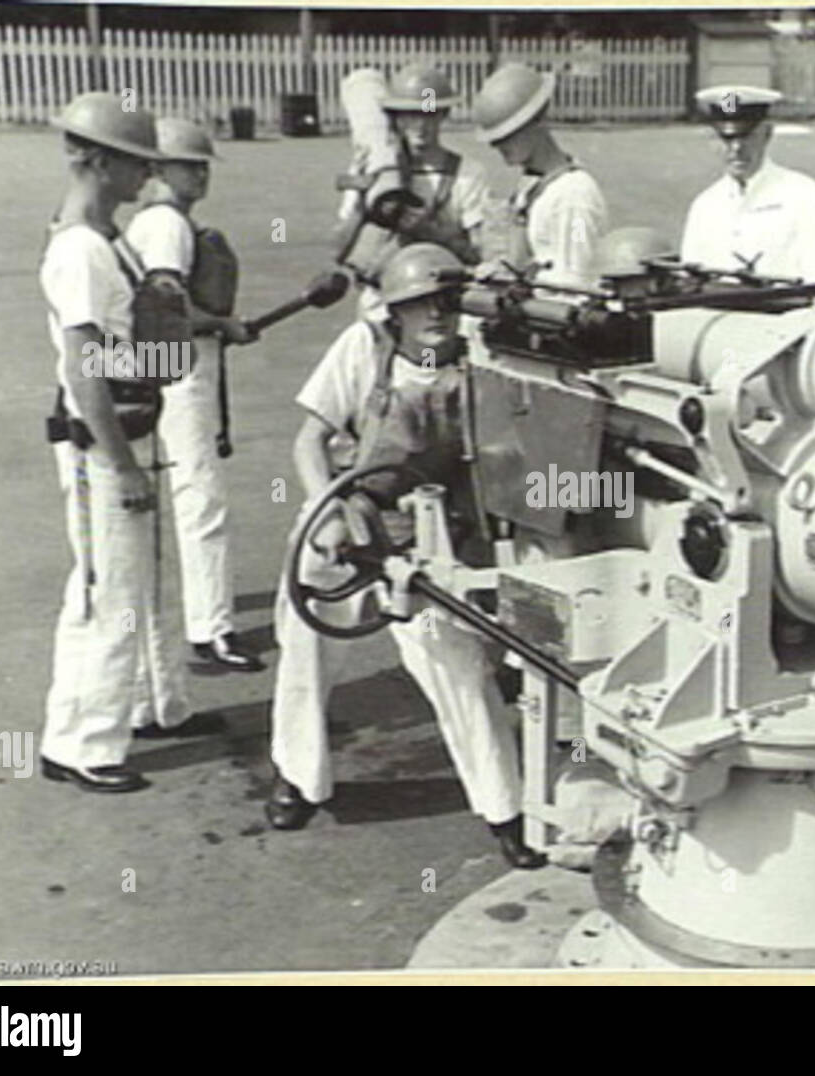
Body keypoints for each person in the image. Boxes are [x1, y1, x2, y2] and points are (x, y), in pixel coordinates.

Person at [265, 243, 546, 870]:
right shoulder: (364, 349)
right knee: (306, 651)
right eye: (420, 305)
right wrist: (329, 514)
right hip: (349, 519)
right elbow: (310, 441)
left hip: (431, 537)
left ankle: (505, 810)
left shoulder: (481, 360)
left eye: (445, 300)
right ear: (395, 312)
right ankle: (298, 776)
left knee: (460, 670)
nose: (435, 314)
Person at [39, 93, 220, 794]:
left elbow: (135, 333)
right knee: (106, 593)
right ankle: (83, 747)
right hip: (102, 444)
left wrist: (206, 331)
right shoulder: (81, 250)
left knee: (136, 587)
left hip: (133, 427)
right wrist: (121, 467)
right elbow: (85, 370)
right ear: (97, 160)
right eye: (137, 162)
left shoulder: (105, 236)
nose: (148, 174)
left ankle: (150, 708)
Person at [125, 118, 263, 672]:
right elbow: (168, 303)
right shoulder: (165, 224)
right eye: (189, 166)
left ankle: (197, 617)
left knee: (185, 493)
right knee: (200, 495)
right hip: (178, 369)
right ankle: (211, 631)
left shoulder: (161, 221)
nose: (201, 175)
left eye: (203, 165)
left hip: (166, 364)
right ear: (158, 168)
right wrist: (224, 324)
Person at [336, 64, 490, 322]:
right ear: (395, 118)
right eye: (409, 116)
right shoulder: (375, 168)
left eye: (429, 114)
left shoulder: (468, 173)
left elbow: (480, 258)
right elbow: (338, 252)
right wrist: (362, 209)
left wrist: (430, 231)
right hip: (379, 304)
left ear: (443, 115)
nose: (420, 126)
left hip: (439, 307)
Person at [680, 86, 815, 286]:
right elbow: (690, 280)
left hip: (788, 304)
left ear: (767, 134)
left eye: (746, 136)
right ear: (712, 140)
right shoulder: (705, 206)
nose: (736, 148)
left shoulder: (806, 196)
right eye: (727, 138)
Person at [471, 63, 608, 289]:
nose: (498, 145)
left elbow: (577, 280)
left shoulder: (573, 196)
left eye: (509, 134)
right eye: (494, 139)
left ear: (538, 123)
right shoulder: (533, 185)